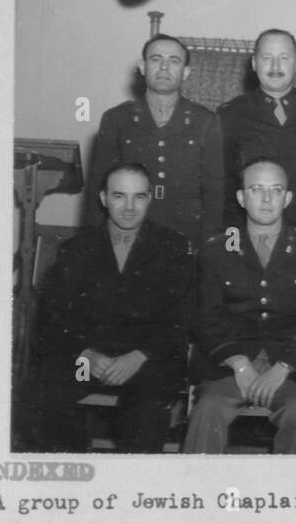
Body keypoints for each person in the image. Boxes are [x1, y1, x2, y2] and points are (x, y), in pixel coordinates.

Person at [33, 163, 195, 453]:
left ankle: (133, 486)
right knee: (44, 395)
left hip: (146, 360)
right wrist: (86, 354)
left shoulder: (173, 248)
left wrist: (139, 355)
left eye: (139, 196)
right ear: (103, 198)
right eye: (119, 196)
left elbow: (180, 317)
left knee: (147, 405)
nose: (130, 207)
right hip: (86, 360)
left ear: (150, 199)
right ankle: (76, 477)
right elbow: (54, 317)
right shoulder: (76, 250)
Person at [184, 157, 296, 454]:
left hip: (291, 368)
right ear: (242, 198)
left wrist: (282, 368)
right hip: (229, 366)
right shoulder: (217, 248)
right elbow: (206, 318)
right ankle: (195, 491)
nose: (267, 199)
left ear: (287, 198)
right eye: (256, 189)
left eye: (276, 190)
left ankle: (284, 496)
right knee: (208, 411)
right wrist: (240, 364)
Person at [84, 34, 224, 248]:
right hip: (129, 231)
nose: (164, 67)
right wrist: (94, 243)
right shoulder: (117, 119)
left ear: (186, 72)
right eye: (156, 59)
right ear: (142, 67)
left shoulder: (205, 121)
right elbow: (99, 186)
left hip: (186, 234)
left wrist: (209, 246)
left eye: (174, 61)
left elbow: (214, 192)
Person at [218, 29, 296, 233]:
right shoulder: (230, 116)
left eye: (284, 58)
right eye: (267, 58)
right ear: (254, 63)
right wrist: (230, 244)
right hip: (243, 233)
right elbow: (220, 186)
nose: (275, 67)